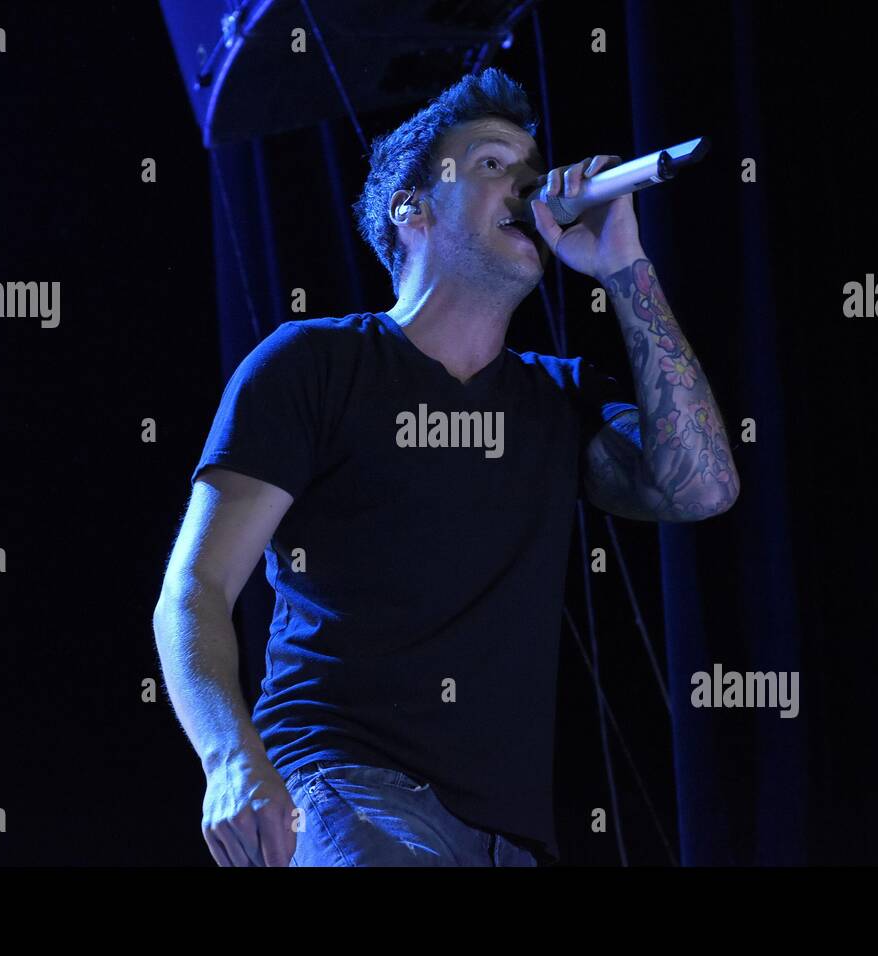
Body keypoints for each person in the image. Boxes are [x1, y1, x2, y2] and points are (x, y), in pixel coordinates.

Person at [152, 68, 740, 867]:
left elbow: (702, 487)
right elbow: (195, 589)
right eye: (494, 162)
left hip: (506, 841)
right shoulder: (314, 364)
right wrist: (229, 759)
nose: (529, 183)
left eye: (534, 170)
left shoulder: (558, 398)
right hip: (344, 786)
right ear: (413, 209)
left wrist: (625, 268)